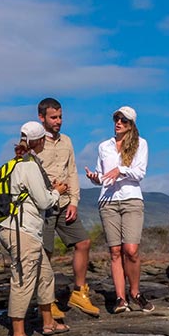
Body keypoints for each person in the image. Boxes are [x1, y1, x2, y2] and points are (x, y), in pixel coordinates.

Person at [0, 121, 70, 336]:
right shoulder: (29, 166)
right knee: (23, 280)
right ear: (39, 141)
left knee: (45, 274)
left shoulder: (17, 162)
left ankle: (48, 323)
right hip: (23, 231)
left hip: (19, 229)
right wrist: (57, 192)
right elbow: (43, 201)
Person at [35, 97, 100, 318]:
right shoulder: (33, 141)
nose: (59, 121)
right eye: (54, 117)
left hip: (64, 204)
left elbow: (72, 172)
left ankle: (79, 294)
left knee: (83, 242)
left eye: (61, 117)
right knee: (45, 252)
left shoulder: (67, 141)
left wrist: (74, 201)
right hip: (42, 206)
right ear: (41, 117)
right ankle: (47, 301)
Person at [85, 106, 154, 314]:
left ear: (131, 124)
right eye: (116, 118)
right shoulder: (103, 146)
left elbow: (139, 173)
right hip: (107, 201)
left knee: (130, 250)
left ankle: (135, 292)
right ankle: (120, 299)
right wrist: (96, 177)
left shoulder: (141, 144)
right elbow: (102, 175)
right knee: (115, 251)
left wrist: (120, 170)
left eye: (123, 120)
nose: (118, 123)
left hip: (131, 199)